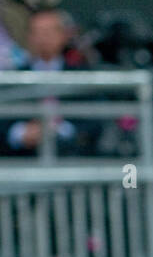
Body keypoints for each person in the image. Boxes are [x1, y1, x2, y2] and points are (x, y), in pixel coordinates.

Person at [0, 10, 96, 157]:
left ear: (64, 35)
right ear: (29, 37)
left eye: (49, 31)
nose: (44, 38)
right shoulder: (14, 77)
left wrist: (60, 129)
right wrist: (21, 132)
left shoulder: (81, 75)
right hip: (24, 159)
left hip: (72, 157)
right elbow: (5, 123)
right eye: (38, 32)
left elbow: (94, 121)